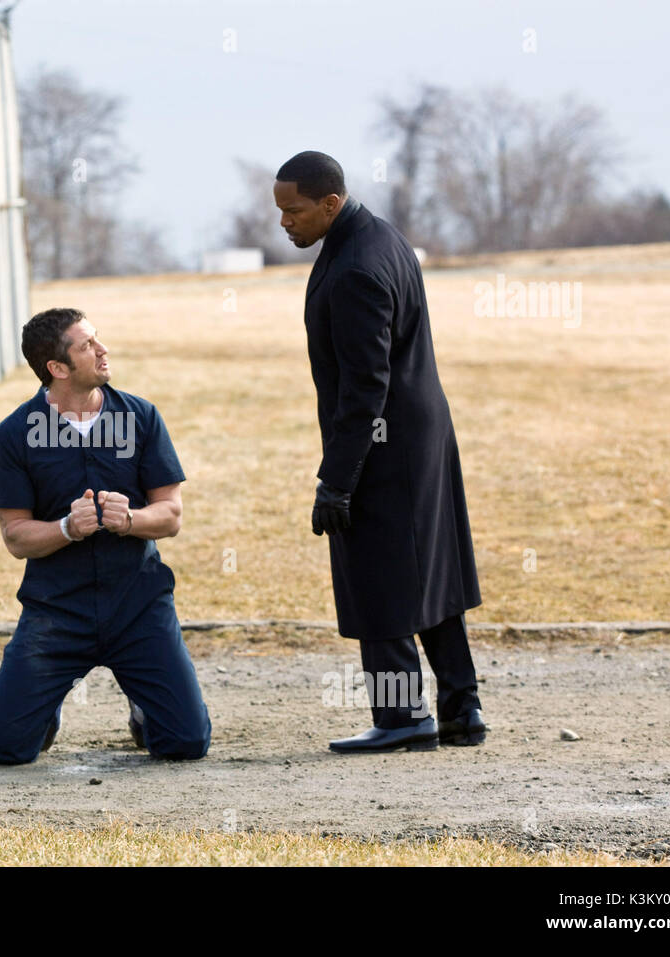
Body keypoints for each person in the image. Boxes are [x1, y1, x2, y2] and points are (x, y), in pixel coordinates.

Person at [274, 150, 486, 753]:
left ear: (330, 203)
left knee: (381, 578)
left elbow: (366, 386)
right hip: (420, 437)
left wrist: (337, 481)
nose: (284, 222)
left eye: (293, 211)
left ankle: (401, 721)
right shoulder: (383, 238)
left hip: (384, 445)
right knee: (431, 573)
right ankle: (461, 711)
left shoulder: (356, 269)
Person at [0, 308, 212, 764]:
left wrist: (130, 521)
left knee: (185, 743)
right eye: (87, 346)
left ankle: (144, 705)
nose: (103, 351)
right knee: (4, 749)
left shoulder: (141, 417)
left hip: (139, 606)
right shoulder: (13, 434)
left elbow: (170, 516)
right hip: (56, 612)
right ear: (58, 368)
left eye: (97, 339)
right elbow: (16, 537)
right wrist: (67, 528)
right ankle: (48, 708)